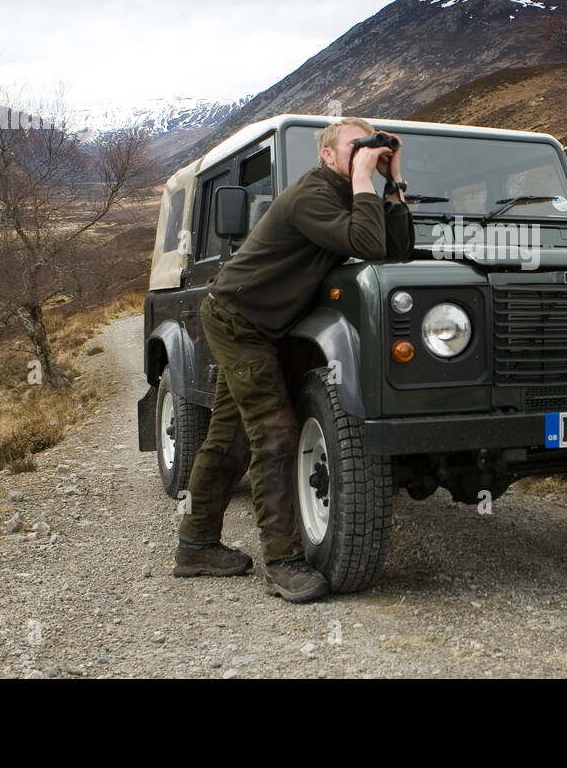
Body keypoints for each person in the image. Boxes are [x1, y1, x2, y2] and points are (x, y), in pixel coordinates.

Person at [172, 117, 413, 602]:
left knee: (230, 438)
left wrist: (394, 181)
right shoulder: (314, 194)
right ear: (327, 155)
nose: (369, 151)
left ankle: (195, 545)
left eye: (375, 145)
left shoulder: (351, 195)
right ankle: (283, 561)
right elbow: (366, 243)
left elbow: (395, 249)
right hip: (238, 320)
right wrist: (365, 179)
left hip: (265, 326)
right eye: (357, 145)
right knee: (276, 434)